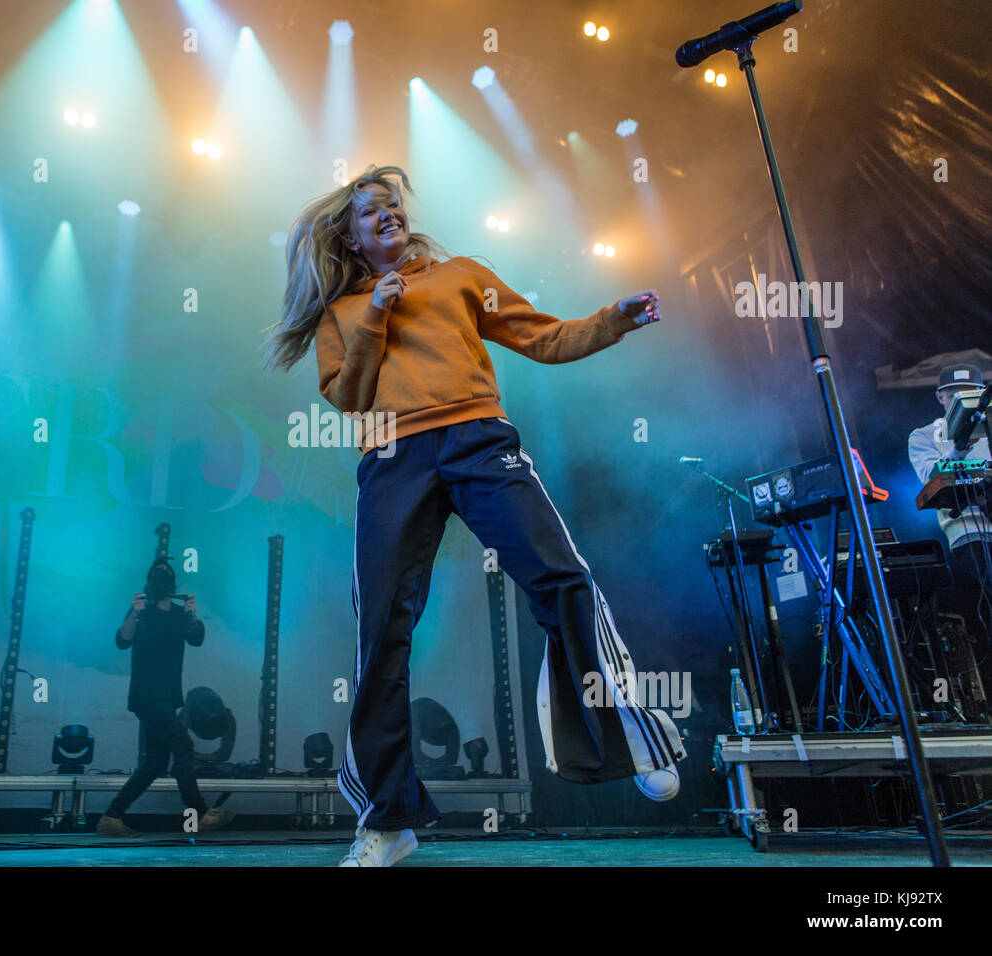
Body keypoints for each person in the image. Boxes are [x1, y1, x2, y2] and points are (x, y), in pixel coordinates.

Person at [265, 165, 685, 867]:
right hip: (393, 456)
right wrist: (375, 313)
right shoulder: (341, 311)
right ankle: (387, 821)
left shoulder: (461, 275)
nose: (387, 214)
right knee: (381, 631)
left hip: (478, 440)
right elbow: (350, 395)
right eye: (370, 211)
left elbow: (546, 339)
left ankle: (635, 741)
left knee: (563, 579)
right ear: (350, 232)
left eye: (392, 203)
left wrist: (615, 319)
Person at [96, 558, 236, 836]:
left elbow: (196, 638)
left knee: (155, 762)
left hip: (168, 696)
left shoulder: (177, 613)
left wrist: (193, 616)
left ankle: (111, 817)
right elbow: (122, 641)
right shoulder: (141, 611)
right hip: (146, 694)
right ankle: (201, 813)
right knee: (182, 744)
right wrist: (134, 614)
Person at [907, 363, 991, 646]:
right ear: (940, 397)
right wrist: (957, 451)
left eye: (969, 393)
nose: (959, 399)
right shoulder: (922, 436)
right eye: (953, 393)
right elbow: (931, 479)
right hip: (969, 534)